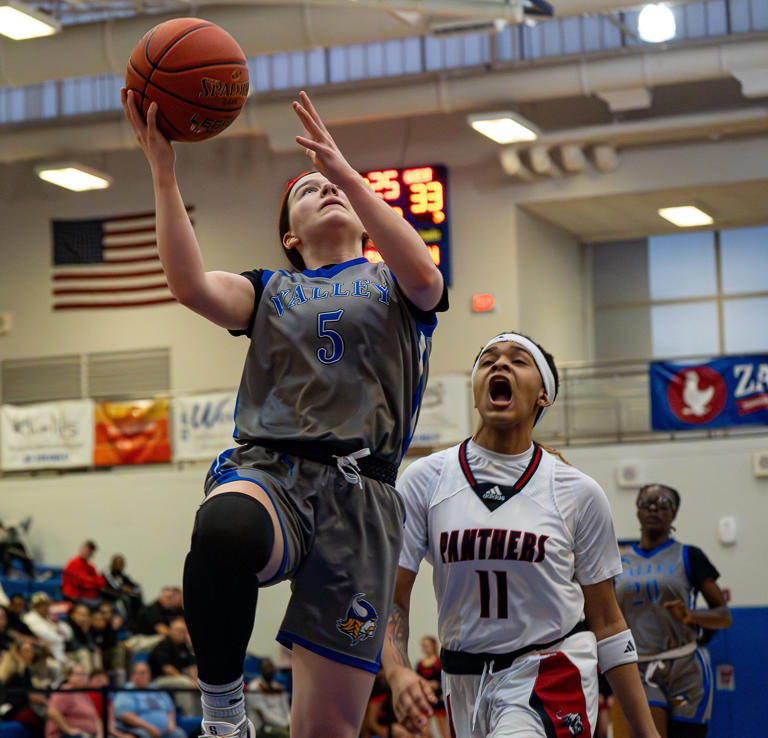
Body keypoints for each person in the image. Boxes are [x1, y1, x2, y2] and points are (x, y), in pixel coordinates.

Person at [121, 85, 446, 738]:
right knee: (225, 529)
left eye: (332, 187)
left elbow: (427, 280)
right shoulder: (272, 290)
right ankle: (222, 713)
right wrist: (163, 172)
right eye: (306, 189)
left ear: (360, 211)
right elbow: (188, 285)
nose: (323, 188)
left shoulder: (392, 282)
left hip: (364, 504)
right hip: (277, 471)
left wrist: (345, 174)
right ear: (290, 238)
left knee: (324, 729)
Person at [382, 332, 660, 737]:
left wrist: (645, 731)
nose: (500, 365)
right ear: (476, 389)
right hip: (462, 678)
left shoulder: (577, 491)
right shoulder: (425, 479)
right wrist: (397, 672)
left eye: (517, 360)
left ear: (543, 395)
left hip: (552, 672)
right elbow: (391, 597)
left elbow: (607, 620)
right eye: (488, 359)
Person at [614, 484, 732, 738]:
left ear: (674, 513)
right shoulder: (619, 561)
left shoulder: (689, 555)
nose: (654, 507)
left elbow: (724, 616)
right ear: (637, 511)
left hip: (685, 665)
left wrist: (692, 616)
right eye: (647, 502)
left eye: (663, 503)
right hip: (640, 665)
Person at [112, 662, 186, 738]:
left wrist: (171, 724)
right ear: (132, 676)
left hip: (166, 731)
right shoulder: (127, 691)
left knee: (179, 734)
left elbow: (170, 709)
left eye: (146, 673)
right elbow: (123, 714)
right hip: (140, 729)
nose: (144, 676)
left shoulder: (156, 689)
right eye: (141, 673)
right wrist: (148, 727)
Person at [45, 663, 103, 738]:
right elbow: (52, 711)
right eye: (78, 674)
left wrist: (100, 734)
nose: (82, 677)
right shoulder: (66, 691)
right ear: (69, 677)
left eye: (83, 674)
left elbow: (95, 717)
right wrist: (68, 729)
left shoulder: (82, 693)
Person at [245, 659, 289, 738]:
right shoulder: (254, 688)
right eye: (266, 668)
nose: (268, 670)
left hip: (283, 724)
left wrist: (289, 722)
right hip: (263, 727)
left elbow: (286, 709)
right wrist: (284, 724)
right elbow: (265, 715)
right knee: (285, 735)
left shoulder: (278, 687)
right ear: (261, 670)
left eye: (270, 667)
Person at [415, 636, 448, 738]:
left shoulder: (439, 662)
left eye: (427, 646)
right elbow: (417, 680)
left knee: (443, 728)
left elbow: (445, 680)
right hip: (426, 698)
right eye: (423, 646)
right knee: (424, 729)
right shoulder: (420, 664)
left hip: (438, 697)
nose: (425, 648)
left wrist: (441, 690)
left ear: (434, 646)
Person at [62, 542, 106, 607]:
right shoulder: (74, 563)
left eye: (90, 551)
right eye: (87, 550)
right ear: (81, 549)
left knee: (108, 604)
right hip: (74, 595)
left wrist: (91, 580)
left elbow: (102, 582)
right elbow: (82, 583)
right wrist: (93, 581)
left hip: (90, 595)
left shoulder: (90, 566)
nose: (88, 553)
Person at [102, 555, 143, 622]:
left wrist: (132, 590)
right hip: (110, 594)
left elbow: (136, 587)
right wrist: (123, 588)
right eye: (117, 563)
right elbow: (115, 586)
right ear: (113, 563)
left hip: (121, 593)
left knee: (137, 598)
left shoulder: (122, 576)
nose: (119, 565)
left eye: (121, 564)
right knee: (126, 598)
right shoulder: (107, 573)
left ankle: (137, 621)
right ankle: (128, 621)